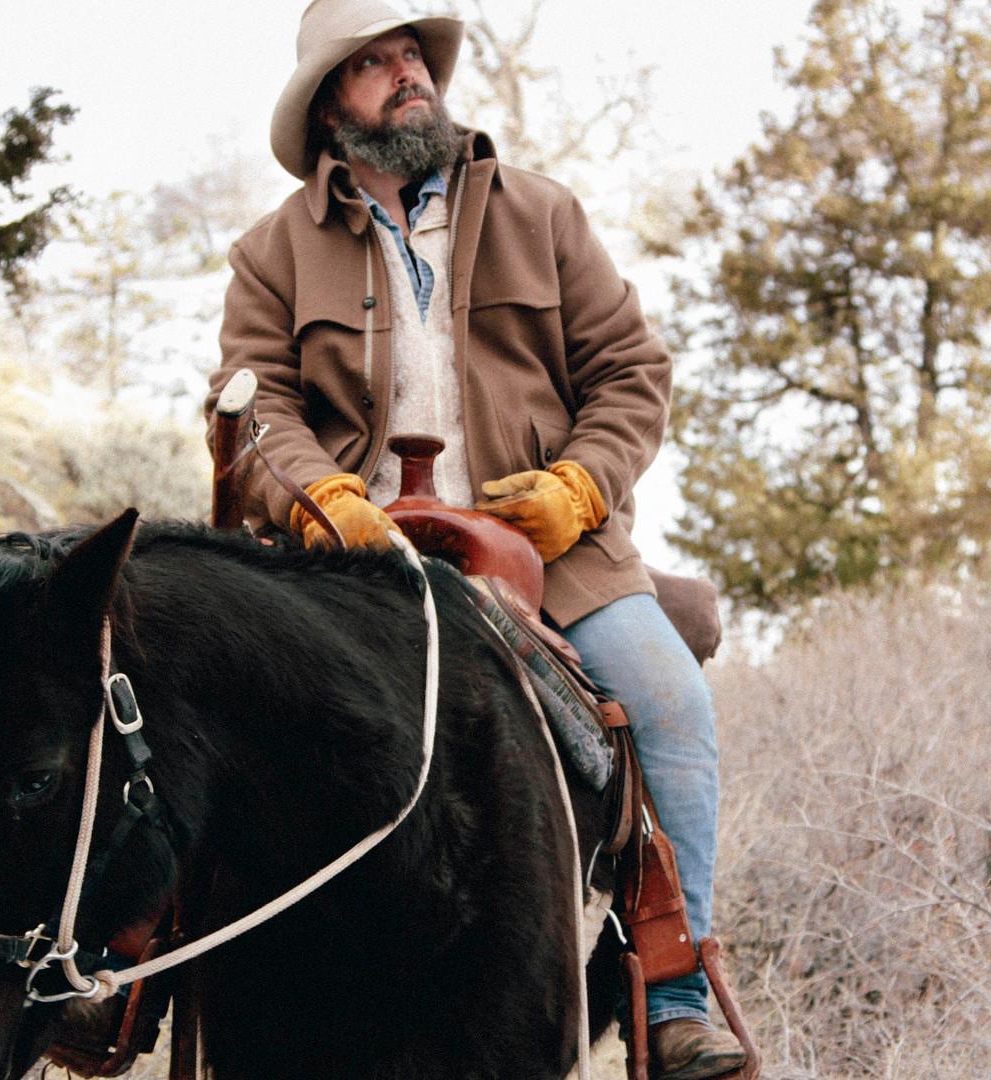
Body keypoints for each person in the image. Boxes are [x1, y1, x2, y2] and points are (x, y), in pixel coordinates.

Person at [207, 2, 745, 1076]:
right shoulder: (271, 252)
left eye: (412, 55)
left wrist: (580, 490)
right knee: (205, 720)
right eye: (372, 64)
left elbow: (633, 373)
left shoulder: (541, 213)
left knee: (673, 709)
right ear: (330, 111)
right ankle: (133, 990)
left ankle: (668, 997)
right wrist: (325, 504)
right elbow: (255, 406)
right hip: (348, 567)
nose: (407, 75)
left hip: (547, 553)